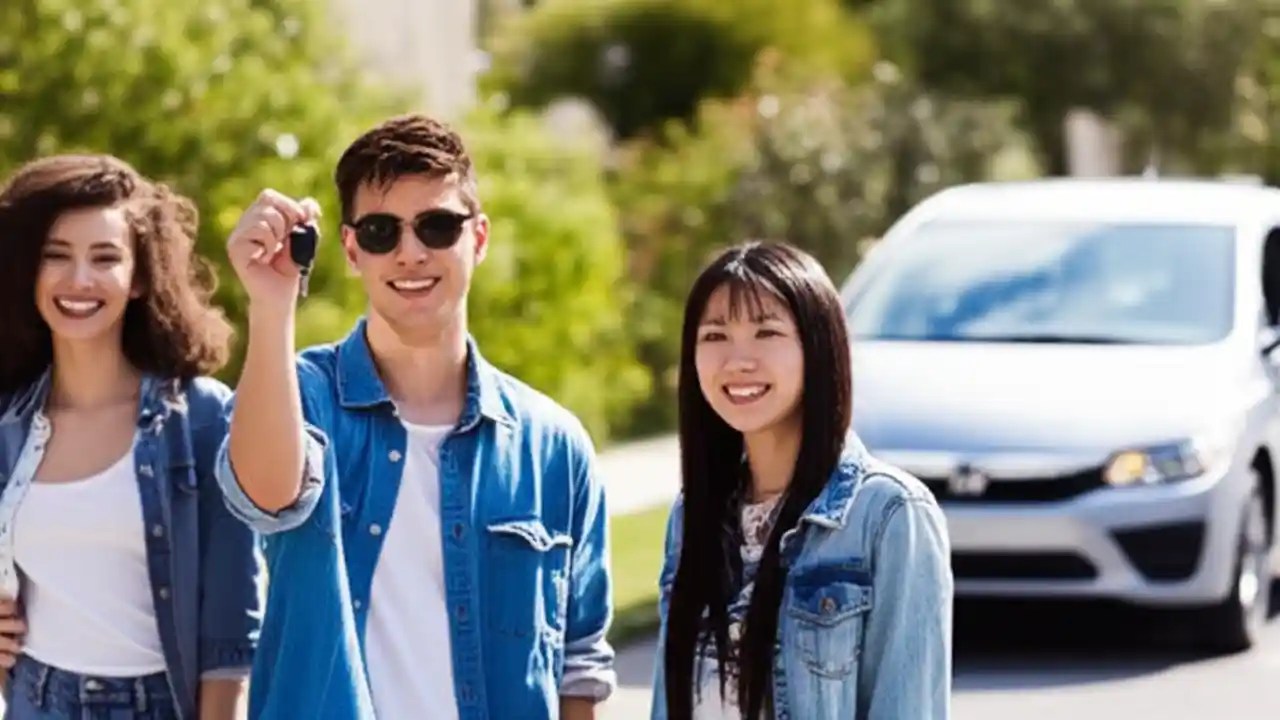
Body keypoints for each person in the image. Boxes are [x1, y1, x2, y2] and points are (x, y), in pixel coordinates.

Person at [216, 114, 616, 720]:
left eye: (437, 226)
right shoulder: (303, 395)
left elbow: (579, 663)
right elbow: (267, 495)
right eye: (381, 231)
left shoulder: (553, 444)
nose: (411, 253)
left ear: (477, 239)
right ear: (351, 250)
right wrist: (271, 307)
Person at [0, 154, 263, 720]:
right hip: (34, 703)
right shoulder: (8, 423)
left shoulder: (203, 420)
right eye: (56, 256)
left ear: (140, 277)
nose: (79, 281)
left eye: (105, 258)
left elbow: (231, 637)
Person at [650, 242, 953, 720]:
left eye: (766, 332)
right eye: (714, 336)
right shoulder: (694, 514)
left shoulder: (890, 513)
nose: (737, 360)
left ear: (817, 346)